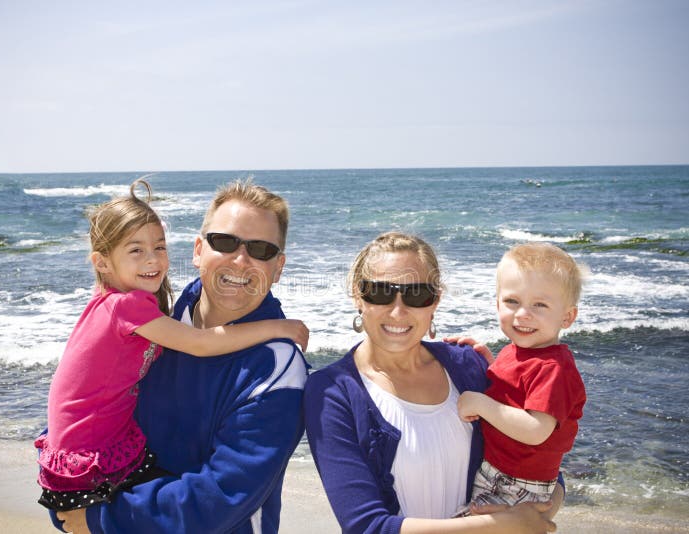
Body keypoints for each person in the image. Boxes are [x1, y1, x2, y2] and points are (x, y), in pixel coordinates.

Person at [35, 179, 309, 514]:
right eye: (225, 242)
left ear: (278, 267)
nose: (240, 260)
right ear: (197, 250)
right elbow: (199, 344)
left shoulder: (278, 370)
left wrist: (101, 521)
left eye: (260, 249)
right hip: (99, 482)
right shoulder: (162, 319)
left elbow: (222, 497)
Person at [303, 232, 563, 534]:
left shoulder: (471, 365)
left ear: (435, 301)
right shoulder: (331, 392)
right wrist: (502, 525)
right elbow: (366, 527)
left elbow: (544, 464)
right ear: (357, 296)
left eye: (416, 295)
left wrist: (537, 516)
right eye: (380, 292)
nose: (398, 311)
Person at [457, 242, 586, 510]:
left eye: (540, 305)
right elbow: (516, 390)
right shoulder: (515, 350)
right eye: (512, 301)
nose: (523, 314)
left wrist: (480, 403)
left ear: (567, 317)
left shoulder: (554, 368)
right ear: (497, 304)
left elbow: (535, 430)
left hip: (518, 484)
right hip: (498, 472)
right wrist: (487, 362)